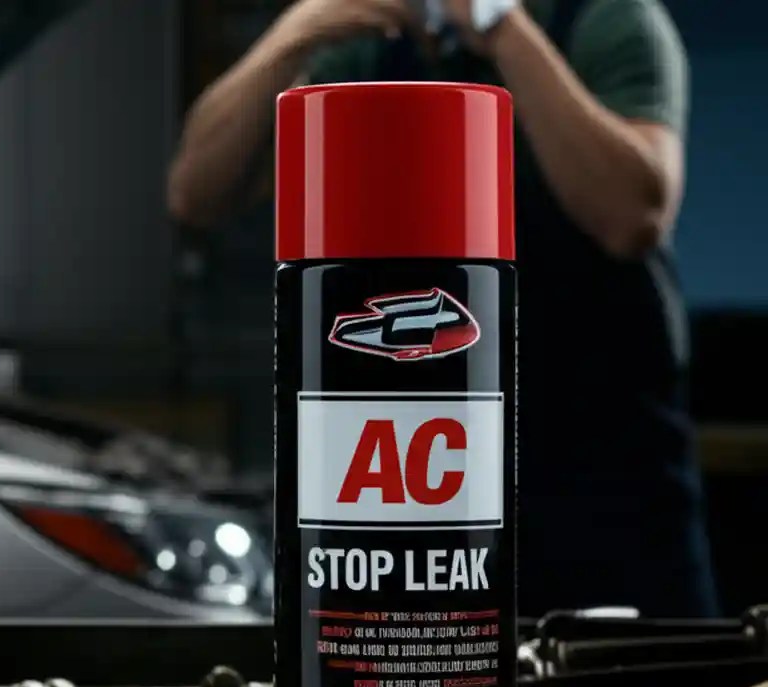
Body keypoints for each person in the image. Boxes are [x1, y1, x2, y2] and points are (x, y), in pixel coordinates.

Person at [168, 0, 720, 618]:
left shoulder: (606, 20)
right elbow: (198, 191)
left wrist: (502, 27)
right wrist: (295, 33)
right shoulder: (370, 50)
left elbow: (632, 216)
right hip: (429, 467)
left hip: (600, 466)